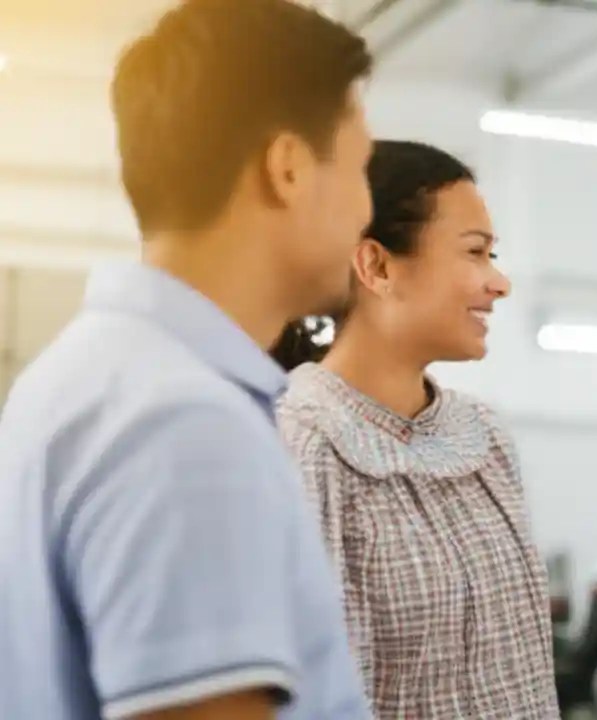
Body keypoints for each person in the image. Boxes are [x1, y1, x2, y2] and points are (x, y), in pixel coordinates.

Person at [0, 1, 377, 718]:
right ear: (289, 168)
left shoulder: (73, 376)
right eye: (360, 169)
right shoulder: (184, 423)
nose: (366, 211)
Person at [270, 139, 561, 719]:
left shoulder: (483, 435)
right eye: (475, 253)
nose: (499, 283)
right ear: (376, 265)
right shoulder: (304, 441)